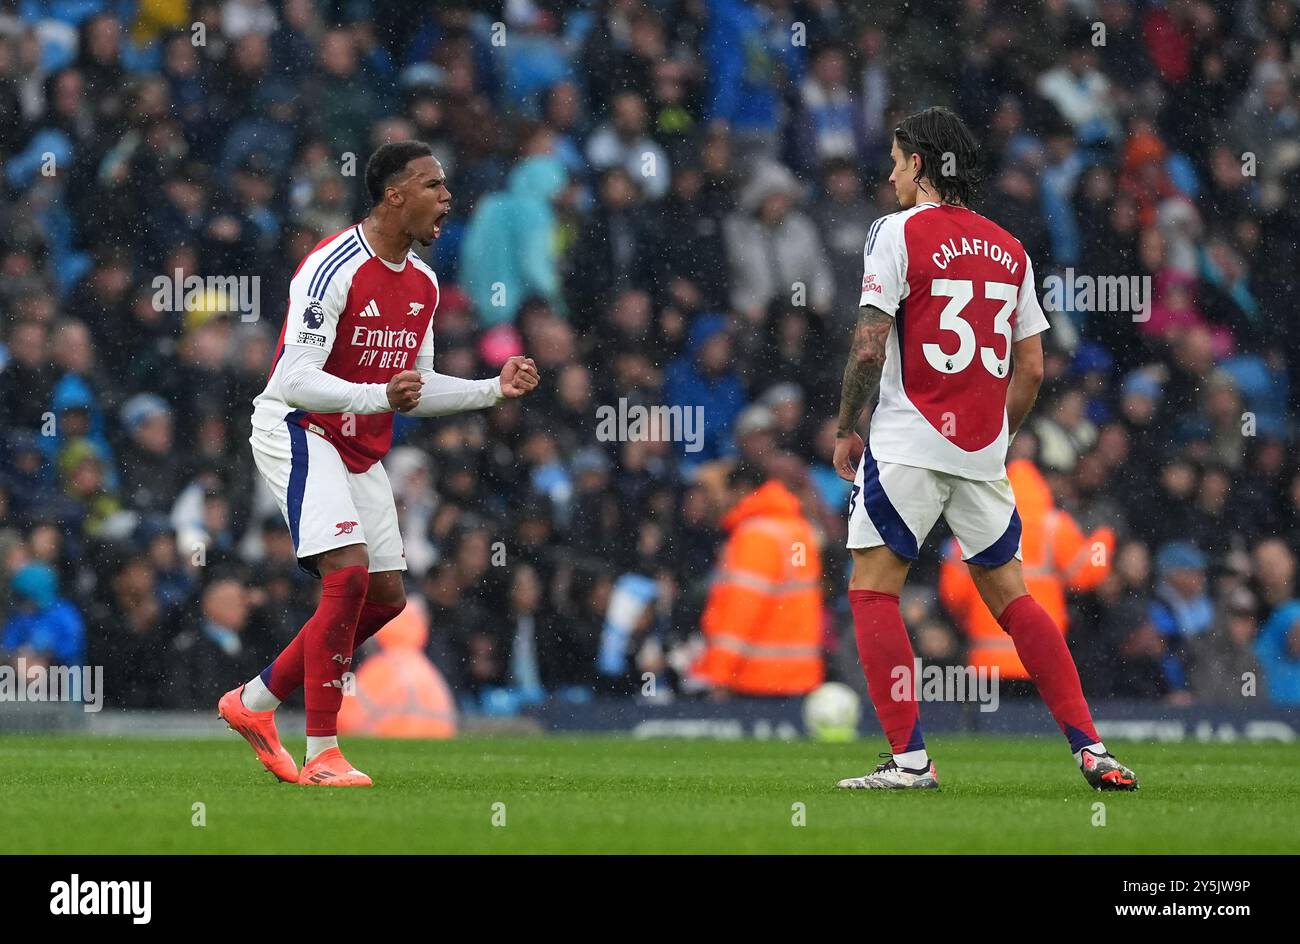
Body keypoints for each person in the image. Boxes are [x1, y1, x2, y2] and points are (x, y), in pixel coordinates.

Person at [829, 107, 1138, 791]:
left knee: (873, 592)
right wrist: (996, 437)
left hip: (908, 439)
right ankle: (1092, 749)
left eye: (895, 159)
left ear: (919, 164)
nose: (888, 173)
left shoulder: (895, 231)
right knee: (1016, 600)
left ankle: (910, 761)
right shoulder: (1012, 248)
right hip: (980, 452)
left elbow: (870, 342)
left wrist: (849, 421)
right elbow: (1031, 369)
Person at [217, 141, 540, 787]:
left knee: (385, 597)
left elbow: (414, 386)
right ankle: (324, 753)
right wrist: (375, 396)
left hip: (358, 445)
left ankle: (253, 702)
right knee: (347, 575)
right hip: (298, 427)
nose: (447, 198)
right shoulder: (329, 267)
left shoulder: (422, 281)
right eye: (433, 186)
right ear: (395, 195)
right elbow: (295, 377)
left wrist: (489, 389)